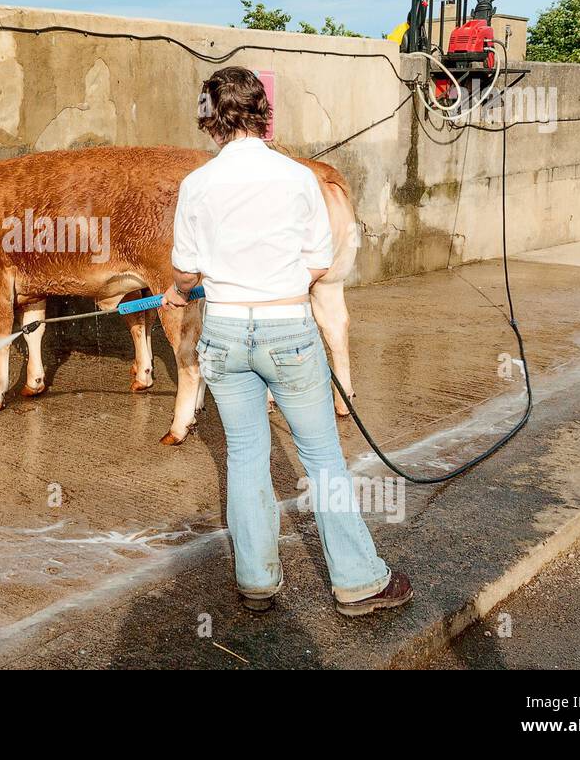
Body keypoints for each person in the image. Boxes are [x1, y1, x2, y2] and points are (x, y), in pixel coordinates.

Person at [161, 66, 413, 617]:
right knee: (322, 457)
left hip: (224, 334)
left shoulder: (197, 184)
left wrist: (182, 294)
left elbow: (185, 270)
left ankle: (255, 580)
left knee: (246, 456)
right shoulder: (298, 178)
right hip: (287, 329)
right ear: (262, 114)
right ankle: (358, 583)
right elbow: (319, 261)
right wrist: (283, 283)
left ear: (210, 121)